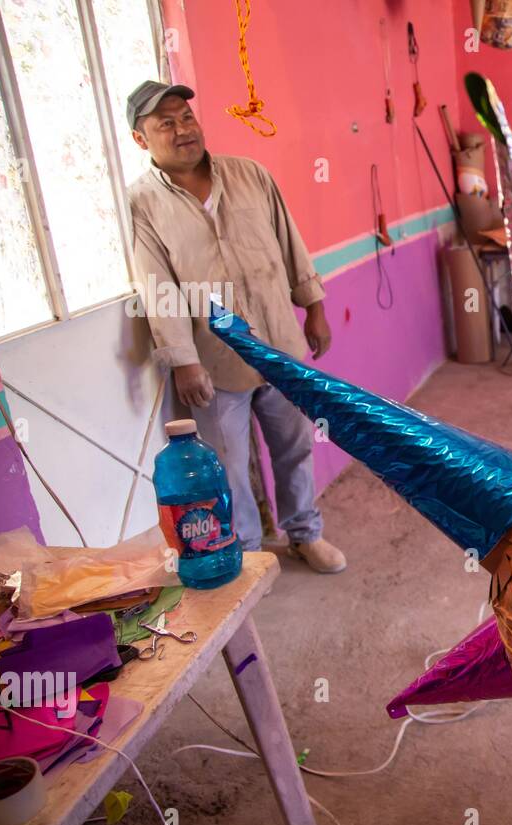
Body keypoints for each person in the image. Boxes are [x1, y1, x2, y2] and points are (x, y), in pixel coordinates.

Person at [126, 80, 345, 573]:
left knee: (295, 446)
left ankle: (305, 534)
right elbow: (156, 283)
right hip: (215, 358)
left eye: (186, 117)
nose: (183, 130)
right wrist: (182, 360)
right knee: (227, 467)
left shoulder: (250, 174)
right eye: (167, 123)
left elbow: (290, 241)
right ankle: (247, 556)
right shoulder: (143, 203)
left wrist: (314, 306)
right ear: (142, 139)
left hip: (279, 343)